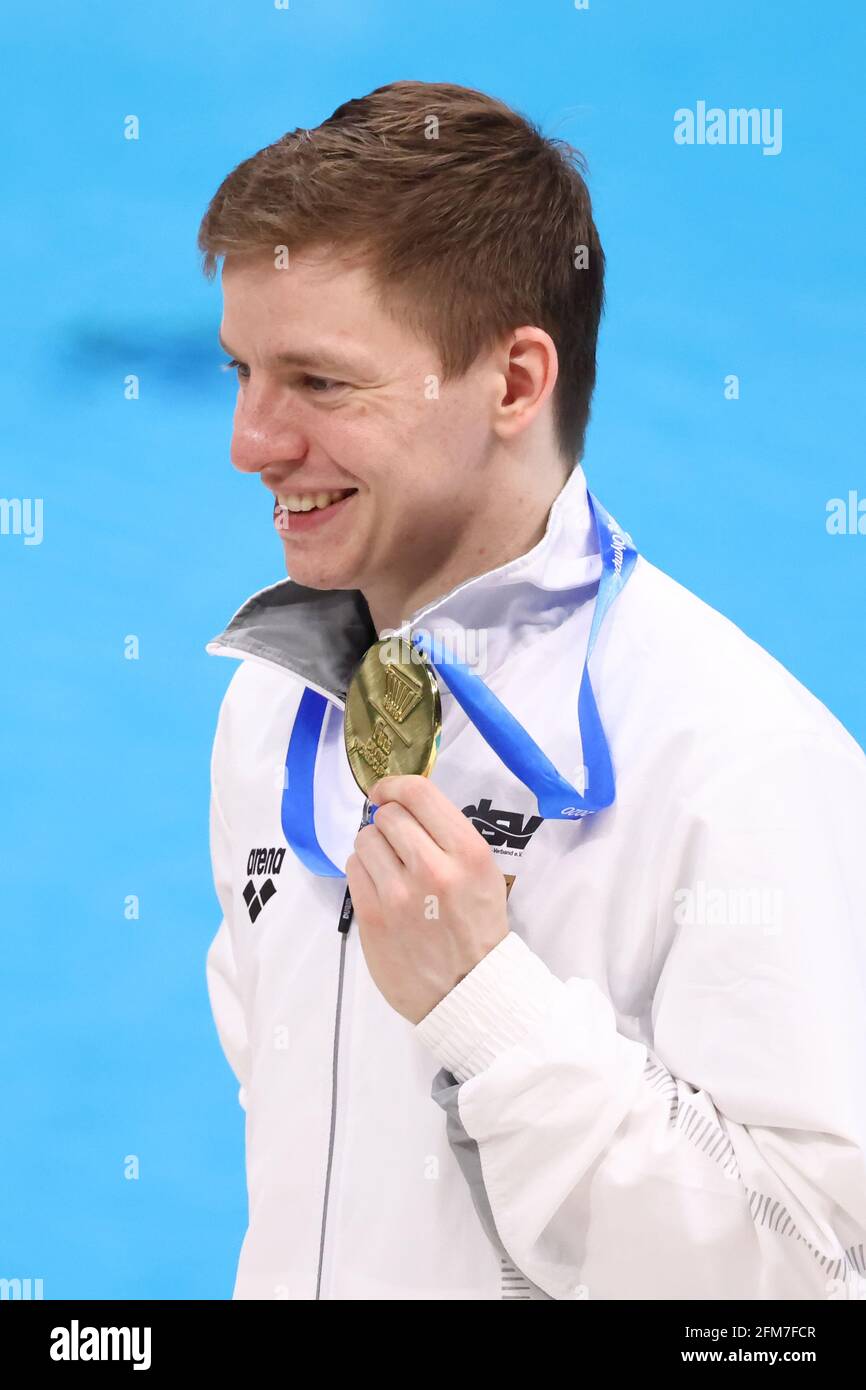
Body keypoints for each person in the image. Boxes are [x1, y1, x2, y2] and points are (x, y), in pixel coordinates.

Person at [198, 80, 866, 1300]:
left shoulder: (740, 760)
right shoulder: (272, 710)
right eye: (243, 369)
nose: (251, 440)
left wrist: (488, 1010)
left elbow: (812, 1286)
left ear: (512, 383)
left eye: (321, 383)